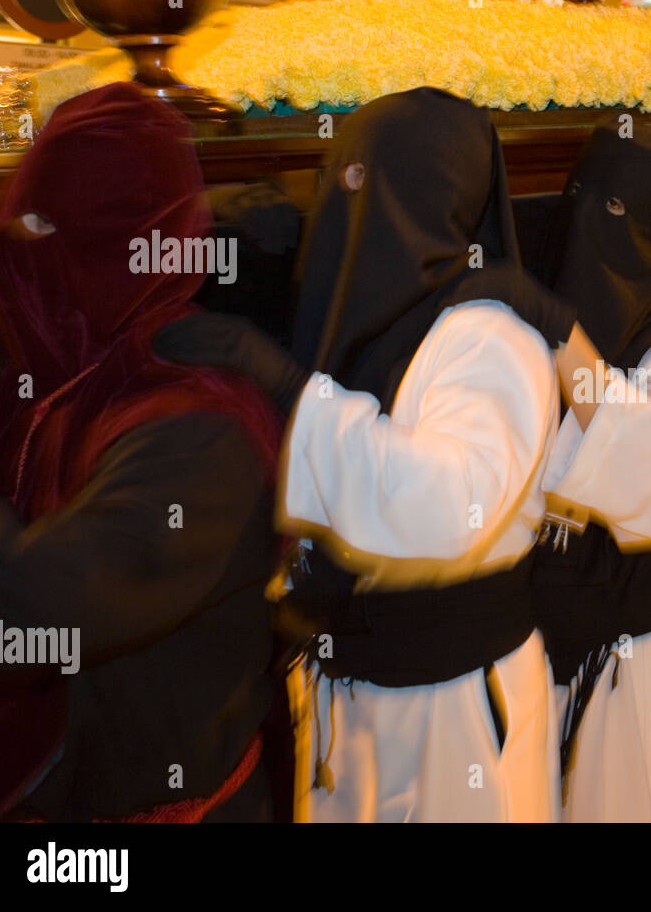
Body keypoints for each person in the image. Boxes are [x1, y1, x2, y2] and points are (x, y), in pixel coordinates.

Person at [158, 88, 576, 822]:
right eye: (337, 177)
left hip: (452, 709)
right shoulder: (373, 318)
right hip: (356, 689)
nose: (346, 203)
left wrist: (289, 388)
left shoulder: (487, 334)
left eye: (363, 181)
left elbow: (447, 510)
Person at [0, 83, 282, 822]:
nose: (21, 261)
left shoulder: (199, 420)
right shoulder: (49, 380)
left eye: (53, 228)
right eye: (23, 225)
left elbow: (47, 609)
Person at [529, 123, 651, 822]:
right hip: (524, 653)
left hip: (626, 668)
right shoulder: (519, 324)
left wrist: (557, 331)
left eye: (615, 217)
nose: (590, 233)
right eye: (581, 204)